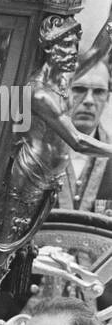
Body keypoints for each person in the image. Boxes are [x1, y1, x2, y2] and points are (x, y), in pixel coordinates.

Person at [57, 58, 112, 211]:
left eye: (99, 92)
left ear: (107, 97)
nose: (89, 100)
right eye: (79, 89)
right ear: (62, 91)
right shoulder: (41, 152)